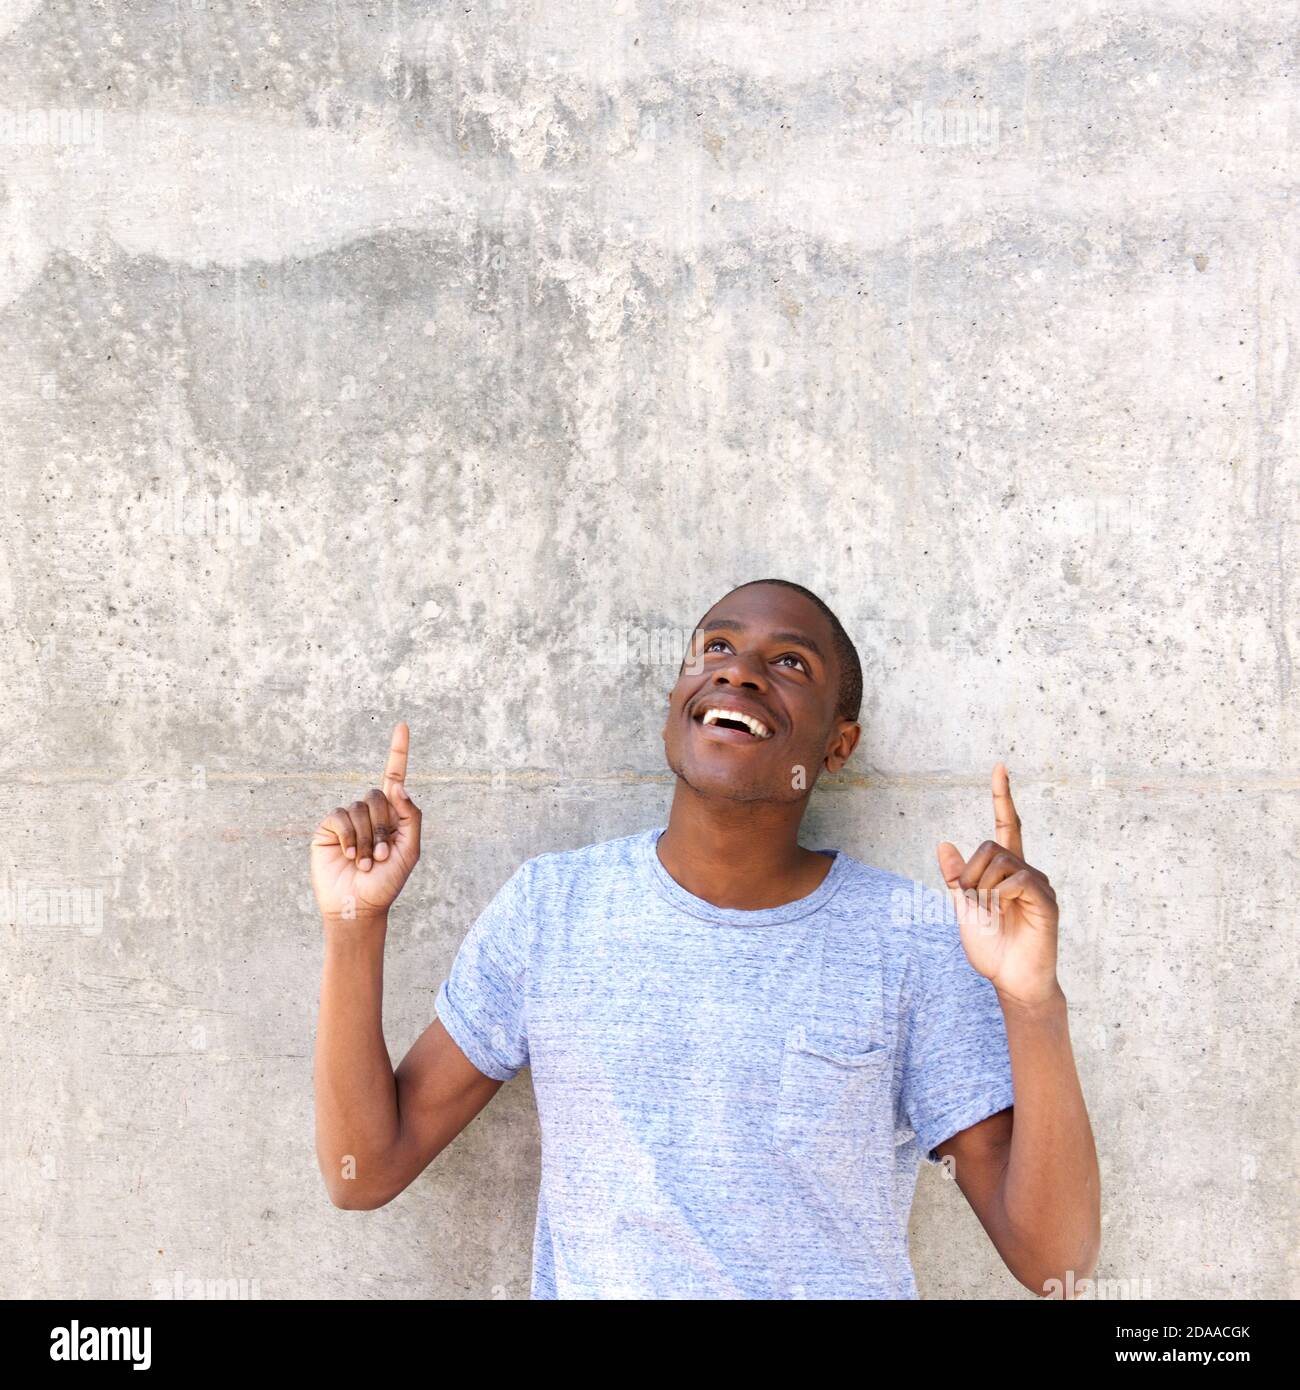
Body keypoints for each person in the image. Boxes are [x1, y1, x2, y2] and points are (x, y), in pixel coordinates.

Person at [310, 578, 1100, 1299]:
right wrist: (354, 927)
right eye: (716, 648)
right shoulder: (551, 909)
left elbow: (1053, 1262)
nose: (741, 671)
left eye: (790, 663)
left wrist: (1033, 1001)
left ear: (838, 745)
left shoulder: (911, 942)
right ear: (677, 697)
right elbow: (365, 1171)